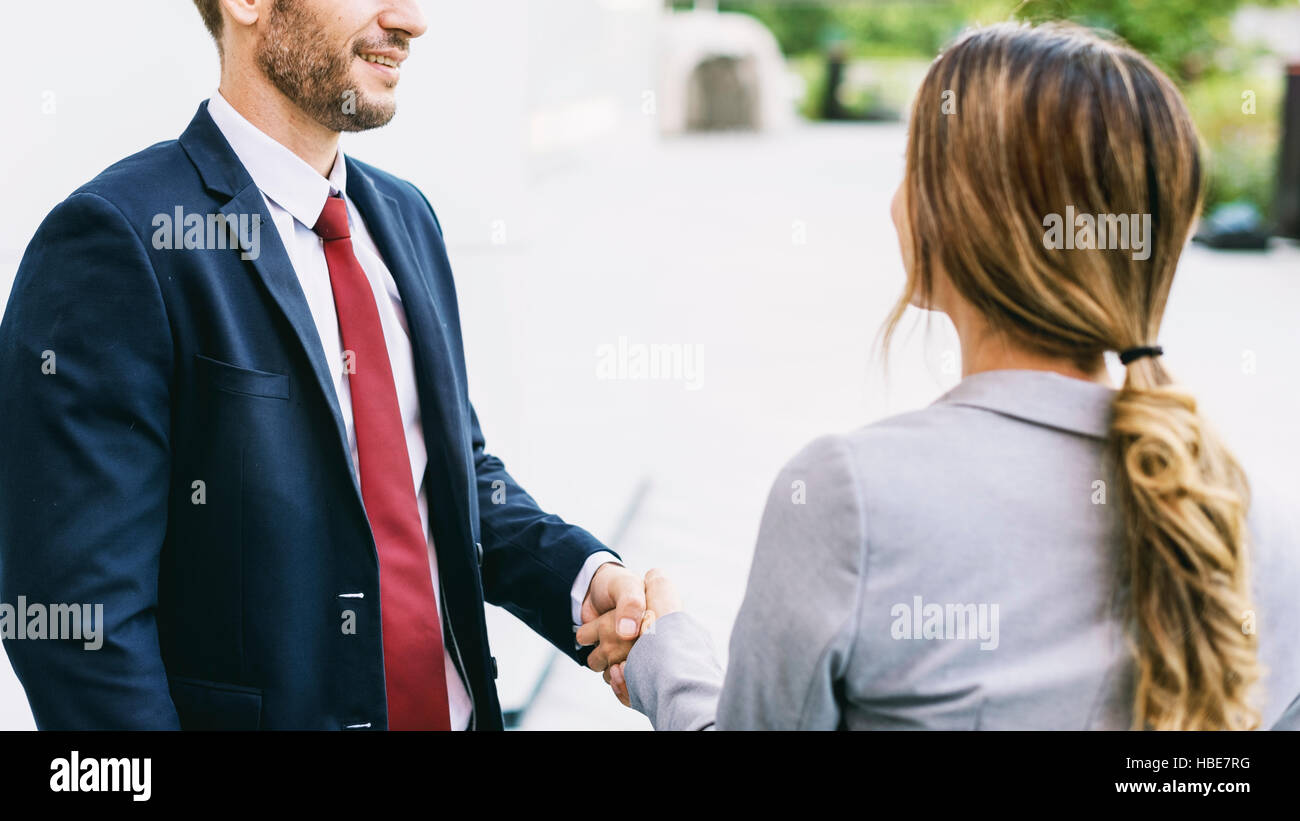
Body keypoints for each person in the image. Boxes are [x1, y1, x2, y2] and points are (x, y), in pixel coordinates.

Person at [587, 21, 1300, 731]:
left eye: (910, 165)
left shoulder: (849, 498)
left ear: (948, 219)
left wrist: (667, 657)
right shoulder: (1251, 520)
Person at [0, 0, 648, 730]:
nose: (411, 20)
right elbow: (86, 631)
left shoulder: (407, 219)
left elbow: (449, 478)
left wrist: (581, 577)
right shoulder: (116, 241)